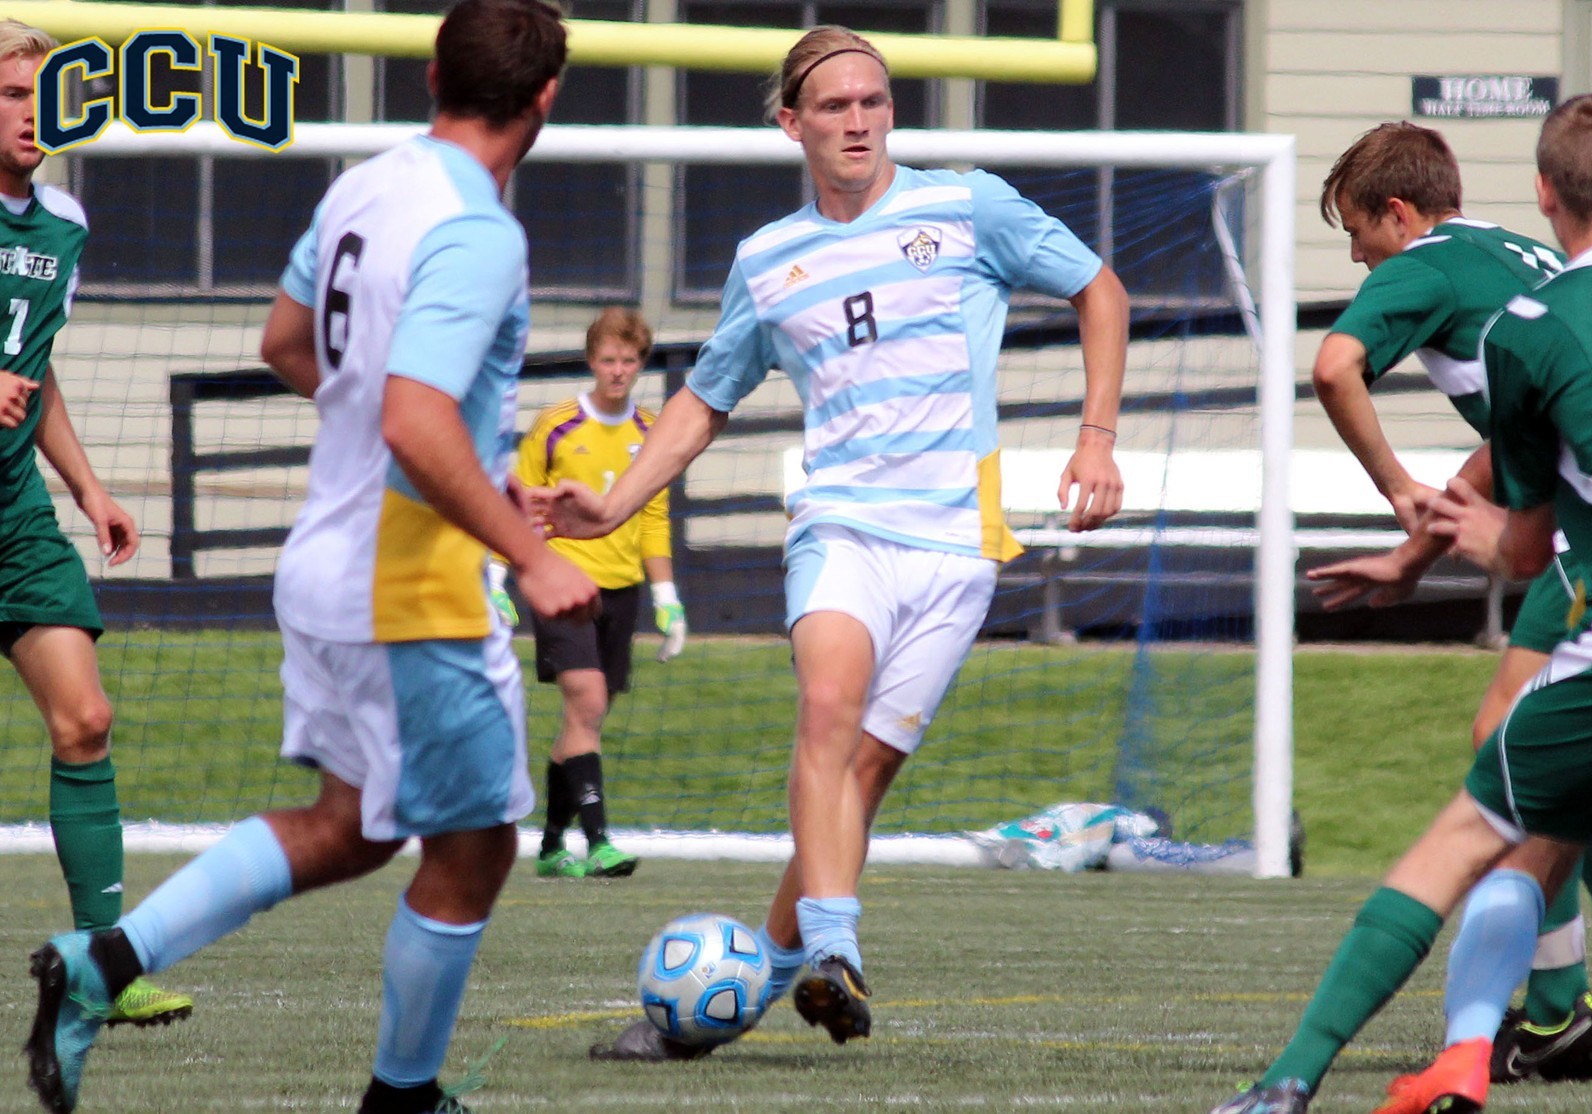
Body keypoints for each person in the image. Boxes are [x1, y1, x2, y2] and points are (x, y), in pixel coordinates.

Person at [22, 2, 597, 1111]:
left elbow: (288, 344)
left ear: (431, 69)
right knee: (475, 846)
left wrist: (469, 456)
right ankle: (403, 1099)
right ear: (545, 101)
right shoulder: (479, 230)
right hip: (409, 587)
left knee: (354, 828)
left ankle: (102, 963)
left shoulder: (364, 184)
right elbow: (414, 421)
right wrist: (527, 548)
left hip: (323, 567)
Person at [549, 25, 1128, 1058]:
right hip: (841, 526)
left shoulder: (968, 205)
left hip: (956, 545)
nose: (857, 119)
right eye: (833, 106)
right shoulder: (767, 262)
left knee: (856, 780)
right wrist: (614, 501)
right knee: (824, 709)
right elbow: (702, 400)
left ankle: (757, 990)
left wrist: (1095, 440)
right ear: (791, 123)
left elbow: (1101, 291)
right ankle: (836, 944)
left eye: (873, 101)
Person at [1211, 92, 1592, 1114]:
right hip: (1568, 544)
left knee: (1500, 778)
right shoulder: (1516, 261)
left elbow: (1333, 365)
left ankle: (1542, 1010)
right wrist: (1416, 551)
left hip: (1579, 564)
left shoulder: (1436, 273)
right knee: (1539, 771)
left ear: (1395, 212)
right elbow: (1523, 433)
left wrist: (1394, 490)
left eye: (1354, 238)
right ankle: (1558, 1008)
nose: (1356, 266)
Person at [0, 19, 194, 1035]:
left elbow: (36, 371)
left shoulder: (62, 226)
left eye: (45, 95)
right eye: (11, 93)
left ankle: (101, 970)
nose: (32, 113)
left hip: (15, 517)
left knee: (86, 721)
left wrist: (87, 487)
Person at [494, 306, 684, 880]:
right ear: (591, 361)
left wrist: (667, 597)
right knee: (590, 702)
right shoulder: (553, 425)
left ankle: (552, 847)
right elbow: (516, 504)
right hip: (562, 581)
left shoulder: (652, 432)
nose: (618, 370)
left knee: (584, 719)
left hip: (622, 590)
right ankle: (599, 842)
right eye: (608, 359)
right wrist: (496, 579)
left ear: (641, 363)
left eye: (629, 360)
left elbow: (652, 516)